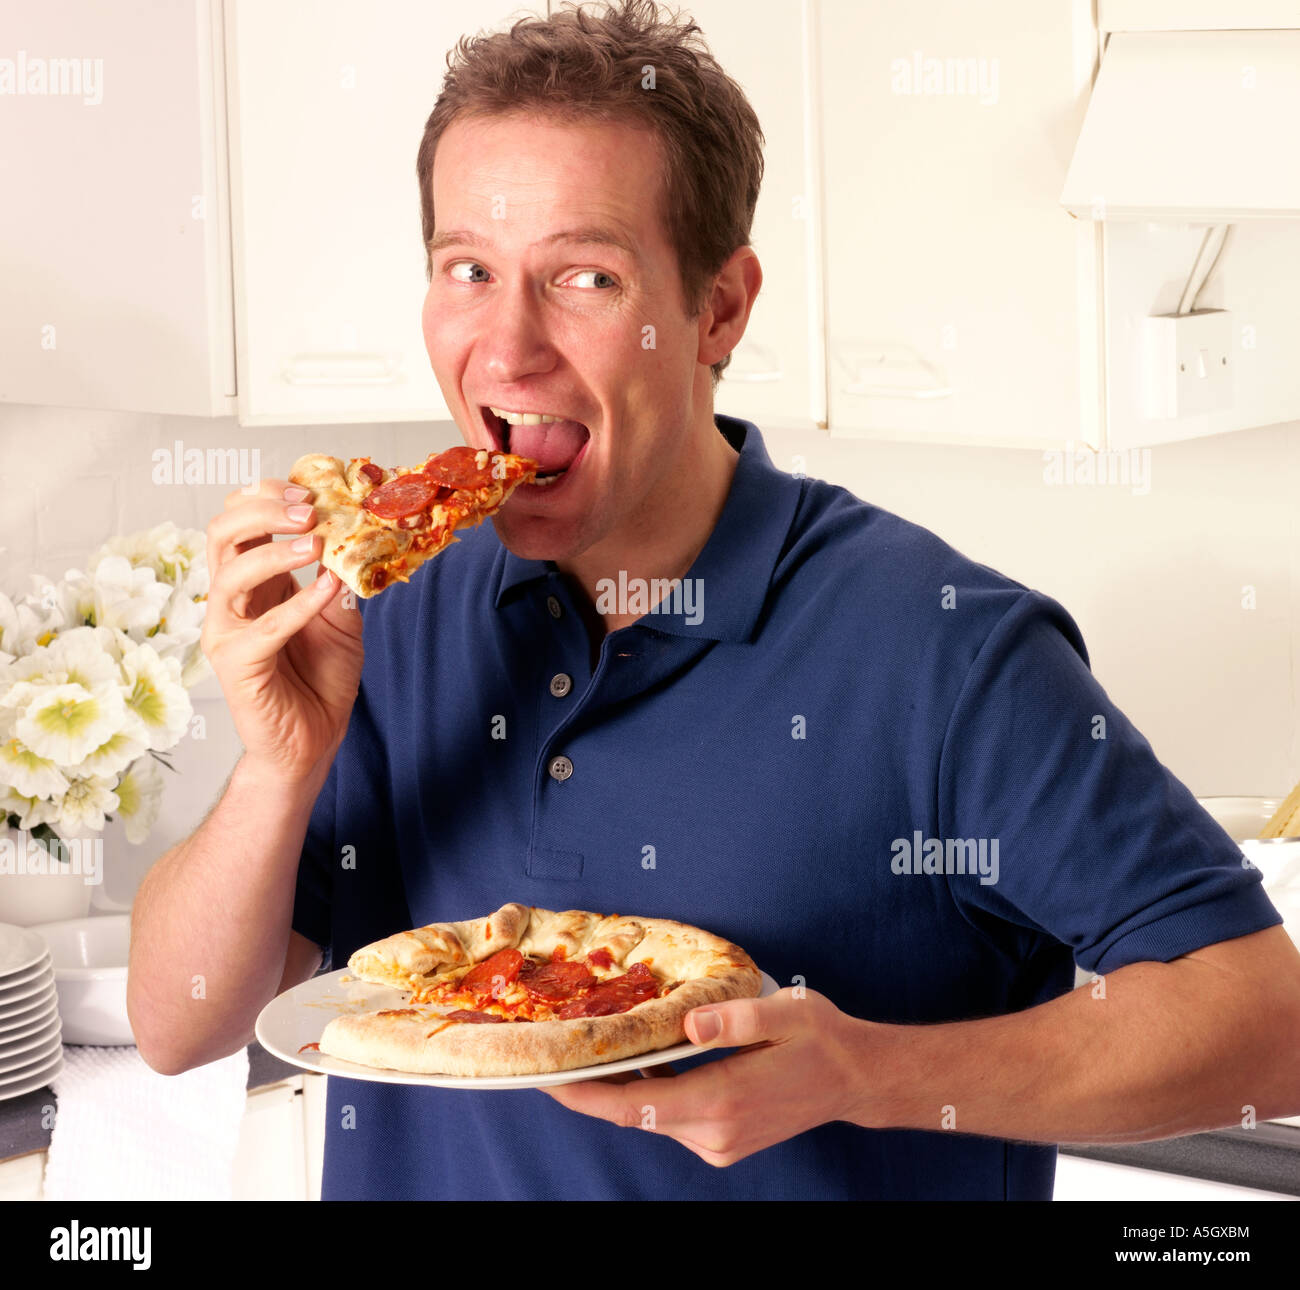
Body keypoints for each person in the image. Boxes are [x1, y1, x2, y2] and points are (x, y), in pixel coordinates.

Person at [128, 0, 1300, 1200]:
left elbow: (1263, 1025)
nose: (509, 344)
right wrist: (277, 765)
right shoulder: (395, 609)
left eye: (584, 275)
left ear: (721, 309)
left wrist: (862, 1074)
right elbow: (179, 1026)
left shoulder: (943, 651)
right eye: (467, 269)